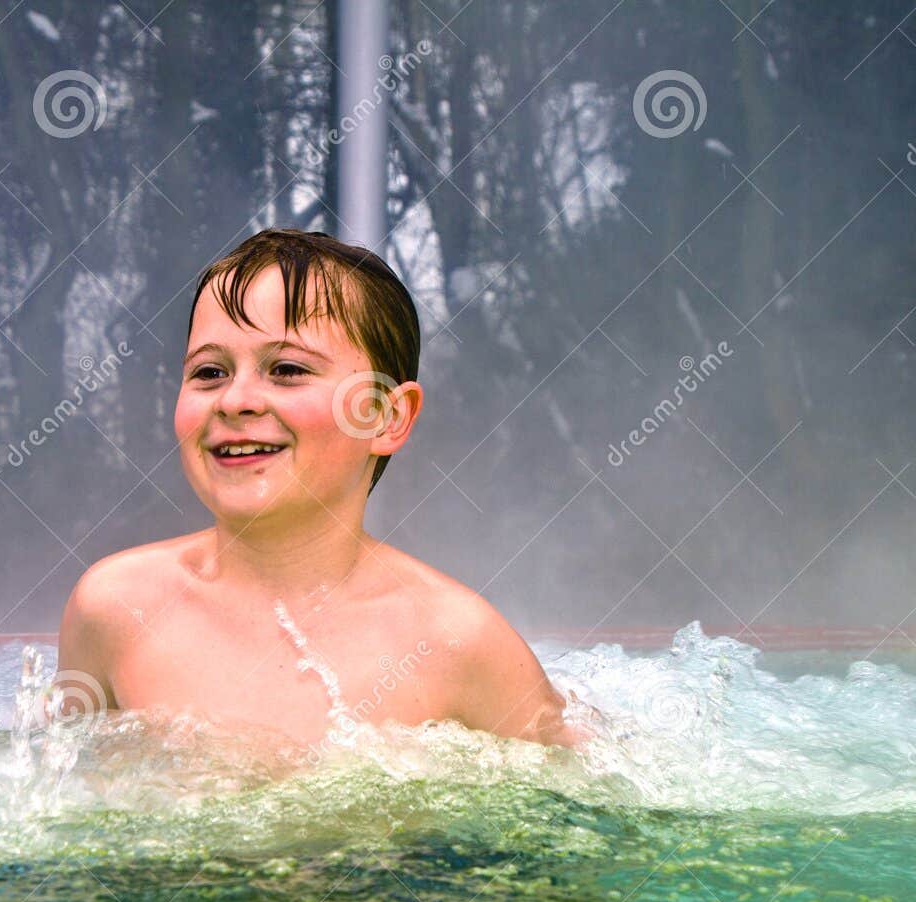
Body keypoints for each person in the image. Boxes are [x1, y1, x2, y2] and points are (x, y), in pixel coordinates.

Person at [56, 228, 575, 748]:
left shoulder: (458, 644)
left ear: (385, 416)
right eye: (210, 372)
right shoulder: (115, 609)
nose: (234, 400)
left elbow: (585, 812)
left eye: (286, 369)